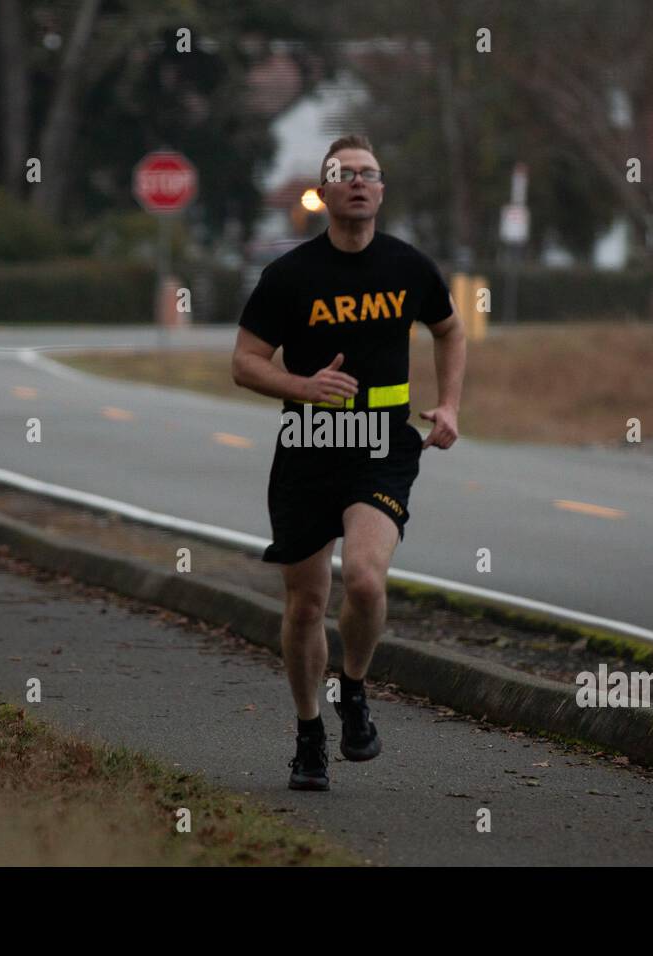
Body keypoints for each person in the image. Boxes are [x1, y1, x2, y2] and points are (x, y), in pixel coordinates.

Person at [232, 135, 467, 790]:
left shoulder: (410, 268)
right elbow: (244, 363)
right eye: (346, 175)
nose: (359, 183)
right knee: (306, 604)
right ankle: (310, 733)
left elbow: (449, 328)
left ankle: (354, 692)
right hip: (308, 447)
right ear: (326, 191)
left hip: (381, 444)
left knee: (364, 580)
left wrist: (448, 404)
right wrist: (301, 386)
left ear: (382, 190)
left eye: (370, 173)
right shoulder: (290, 277)